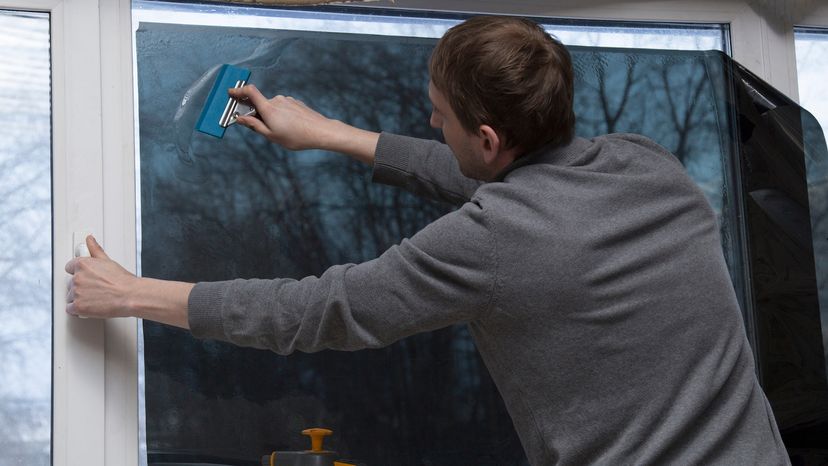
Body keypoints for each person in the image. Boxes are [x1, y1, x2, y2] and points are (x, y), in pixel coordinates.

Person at [65, 16, 790, 465]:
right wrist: (333, 135)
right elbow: (515, 190)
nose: (430, 122)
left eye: (439, 114)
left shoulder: (494, 241)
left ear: (489, 137)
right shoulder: (649, 166)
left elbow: (320, 310)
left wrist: (130, 293)